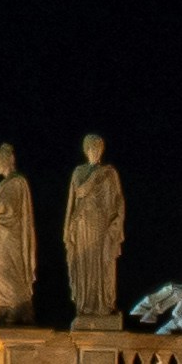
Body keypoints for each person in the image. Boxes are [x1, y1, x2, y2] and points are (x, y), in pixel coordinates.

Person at [62, 135, 126, 323]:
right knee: (85, 263)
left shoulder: (110, 172)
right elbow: (79, 193)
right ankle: (86, 304)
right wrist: (95, 175)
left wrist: (115, 224)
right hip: (83, 225)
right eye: (92, 148)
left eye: (99, 148)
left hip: (103, 226)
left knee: (104, 263)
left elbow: (118, 200)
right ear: (86, 150)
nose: (96, 152)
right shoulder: (79, 171)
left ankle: (104, 304)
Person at [0, 144, 39, 323]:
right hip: (1, 237)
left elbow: (7, 207)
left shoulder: (15, 181)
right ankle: (1, 307)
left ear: (5, 160)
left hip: (11, 238)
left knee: (8, 269)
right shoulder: (4, 183)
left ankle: (15, 306)